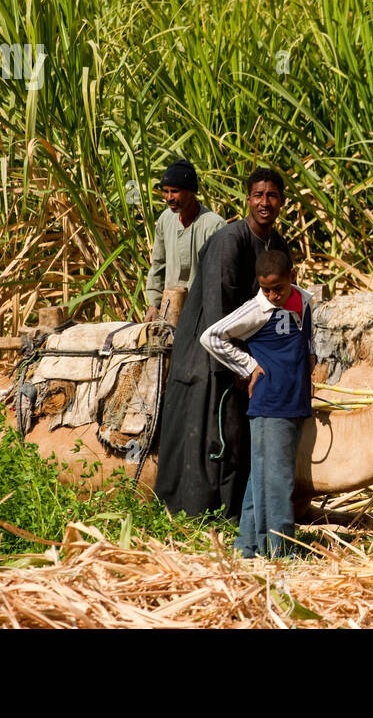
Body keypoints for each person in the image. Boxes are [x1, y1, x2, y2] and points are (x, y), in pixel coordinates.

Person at [156, 167, 292, 520]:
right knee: (218, 435)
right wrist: (239, 366)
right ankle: (200, 515)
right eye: (258, 195)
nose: (265, 202)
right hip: (209, 350)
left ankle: (239, 512)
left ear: (281, 202)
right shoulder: (230, 240)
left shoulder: (277, 245)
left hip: (250, 351)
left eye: (272, 196)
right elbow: (219, 308)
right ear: (248, 199)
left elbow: (281, 301)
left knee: (240, 436)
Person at [200, 250, 314, 558]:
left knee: (263, 476)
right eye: (266, 289)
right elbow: (212, 337)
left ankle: (247, 547)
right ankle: (280, 552)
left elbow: (308, 338)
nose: (273, 295)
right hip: (270, 404)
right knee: (279, 482)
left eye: (278, 288)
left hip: (295, 401)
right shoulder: (257, 310)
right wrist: (247, 366)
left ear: (293, 276)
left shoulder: (304, 300)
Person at [144, 159, 223, 322]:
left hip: (203, 312)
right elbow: (158, 264)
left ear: (191, 191)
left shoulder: (214, 225)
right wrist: (153, 304)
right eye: (165, 191)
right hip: (170, 309)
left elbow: (221, 276)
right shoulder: (166, 219)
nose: (169, 197)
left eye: (175, 191)